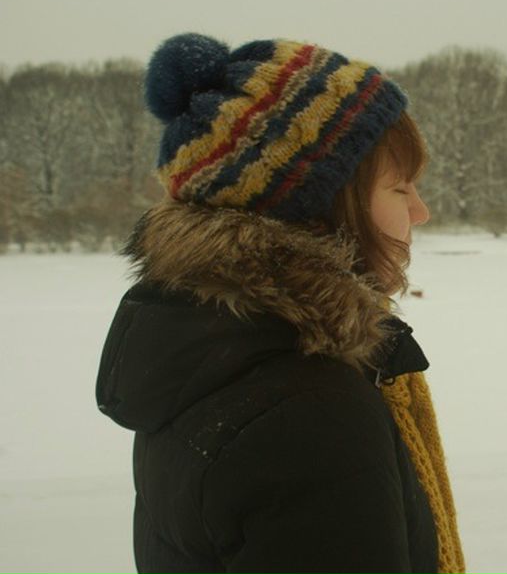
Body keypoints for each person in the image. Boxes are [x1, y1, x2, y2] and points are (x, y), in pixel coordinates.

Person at [95, 33, 465, 574]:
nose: (421, 211)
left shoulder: (211, 356)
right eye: (400, 187)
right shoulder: (309, 416)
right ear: (319, 208)